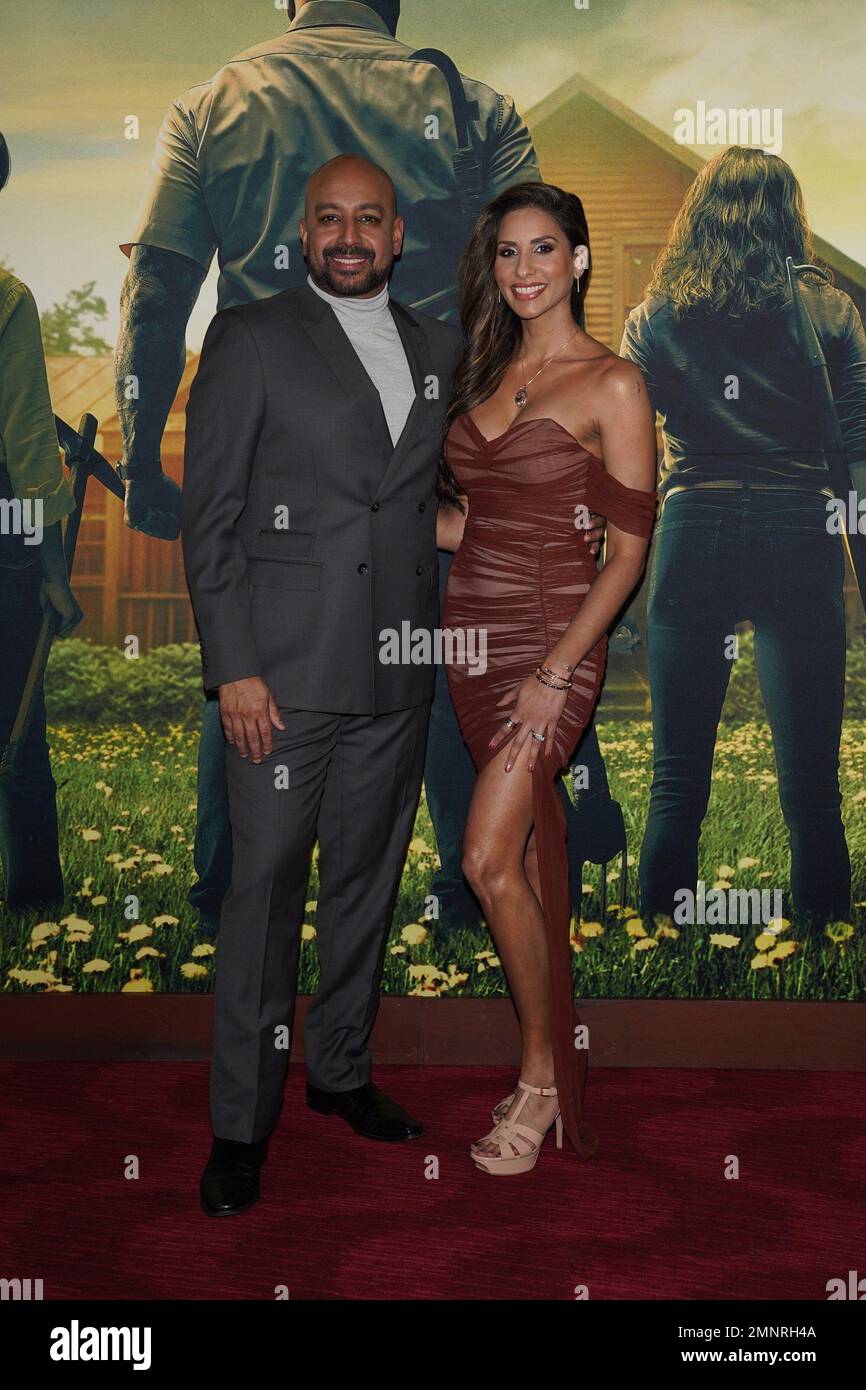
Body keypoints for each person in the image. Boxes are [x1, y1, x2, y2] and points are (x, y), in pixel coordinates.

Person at [114, 0, 560, 939]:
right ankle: (462, 890)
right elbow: (538, 295)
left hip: (270, 435)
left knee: (251, 651)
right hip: (427, 436)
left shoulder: (212, 105)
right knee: (437, 646)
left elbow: (157, 296)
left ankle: (226, 894)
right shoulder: (477, 108)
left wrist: (146, 455)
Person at [182, 154, 463, 1216]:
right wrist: (235, 669)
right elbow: (210, 524)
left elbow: (417, 509)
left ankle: (339, 1070)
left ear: (396, 238)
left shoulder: (437, 346)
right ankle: (238, 1124)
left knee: (364, 884)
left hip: (397, 672)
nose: (349, 236)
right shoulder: (250, 337)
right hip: (281, 683)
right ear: (303, 237)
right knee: (262, 900)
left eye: (369, 220)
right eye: (328, 220)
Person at [437, 182, 658, 1173]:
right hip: (468, 644)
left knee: (485, 860)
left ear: (576, 260)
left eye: (541, 250)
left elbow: (624, 551)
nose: (522, 270)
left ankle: (537, 1081)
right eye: (506, 253)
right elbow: (469, 526)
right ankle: (547, 1070)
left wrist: (555, 672)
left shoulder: (612, 383)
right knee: (517, 865)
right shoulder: (486, 373)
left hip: (549, 650)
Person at [621, 146, 866, 931]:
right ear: (788, 214)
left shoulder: (657, 314)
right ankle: (827, 931)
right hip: (801, 528)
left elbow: (620, 450)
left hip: (695, 528)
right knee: (812, 779)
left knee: (675, 774)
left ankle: (658, 932)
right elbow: (858, 452)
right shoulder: (829, 311)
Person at [0, 131, 82, 914]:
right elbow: (27, 448)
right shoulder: (4, 296)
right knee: (15, 723)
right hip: (7, 539)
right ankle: (32, 891)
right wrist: (53, 573)